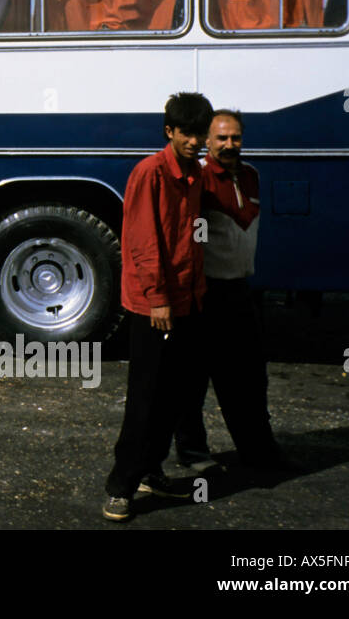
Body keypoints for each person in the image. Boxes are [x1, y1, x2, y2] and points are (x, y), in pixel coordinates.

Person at [102, 92, 212, 522]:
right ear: (169, 131)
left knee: (175, 394)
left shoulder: (196, 173)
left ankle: (152, 470)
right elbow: (144, 242)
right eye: (187, 133)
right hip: (155, 304)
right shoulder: (150, 173)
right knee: (145, 398)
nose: (194, 141)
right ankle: (120, 485)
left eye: (200, 133)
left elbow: (193, 236)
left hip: (187, 299)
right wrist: (159, 299)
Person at [173, 110, 290, 471]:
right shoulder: (199, 178)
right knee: (193, 377)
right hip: (206, 292)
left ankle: (259, 453)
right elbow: (190, 232)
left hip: (241, 289)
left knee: (251, 377)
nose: (229, 144)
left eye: (235, 137)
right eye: (221, 138)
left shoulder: (252, 175)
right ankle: (193, 454)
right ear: (207, 141)